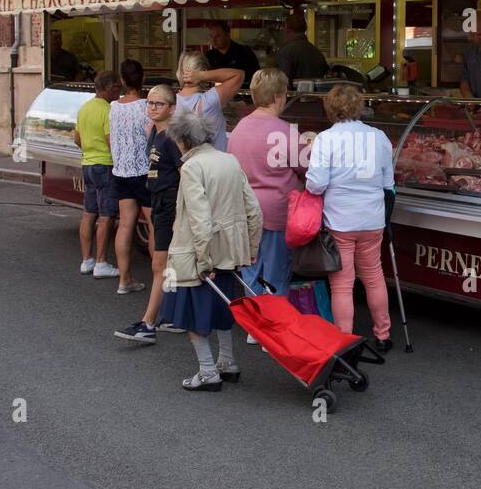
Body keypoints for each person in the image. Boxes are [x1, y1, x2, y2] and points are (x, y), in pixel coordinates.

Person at [164, 111, 263, 391]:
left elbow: (199, 219)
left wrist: (203, 261)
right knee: (224, 308)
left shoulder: (192, 168)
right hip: (231, 251)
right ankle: (227, 362)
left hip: (200, 254)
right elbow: (254, 210)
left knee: (195, 315)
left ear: (182, 140)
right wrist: (251, 248)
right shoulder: (229, 160)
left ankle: (208, 371)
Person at [305, 84, 395, 353]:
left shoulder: (326, 139)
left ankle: (344, 339)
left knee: (342, 284)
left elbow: (316, 185)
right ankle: (383, 334)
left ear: (330, 109)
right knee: (374, 277)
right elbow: (388, 182)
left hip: (340, 220)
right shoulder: (379, 136)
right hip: (372, 219)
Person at [115, 84, 187, 343]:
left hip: (170, 204)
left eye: (159, 104)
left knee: (160, 264)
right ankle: (172, 316)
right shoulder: (154, 134)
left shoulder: (172, 137)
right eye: (150, 103)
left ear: (172, 108)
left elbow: (186, 175)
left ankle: (148, 324)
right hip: (157, 201)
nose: (153, 108)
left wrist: (182, 212)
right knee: (168, 264)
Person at [227, 68, 302, 298]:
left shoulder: (239, 128)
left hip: (245, 210)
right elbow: (307, 168)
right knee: (276, 273)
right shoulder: (285, 131)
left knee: (251, 269)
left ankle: (255, 325)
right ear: (278, 97)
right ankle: (274, 324)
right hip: (276, 212)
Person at [109, 59, 151, 295]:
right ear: (142, 79)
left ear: (123, 81)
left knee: (125, 225)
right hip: (144, 171)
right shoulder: (147, 106)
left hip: (121, 171)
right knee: (155, 226)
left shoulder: (114, 106)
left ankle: (124, 279)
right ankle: (160, 278)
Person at [74, 70, 121, 278]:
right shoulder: (108, 110)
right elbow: (111, 141)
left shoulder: (84, 108)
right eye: (117, 88)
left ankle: (86, 260)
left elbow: (77, 138)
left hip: (87, 163)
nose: (119, 92)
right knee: (106, 215)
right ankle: (101, 262)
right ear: (110, 88)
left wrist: (89, 150)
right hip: (105, 164)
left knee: (88, 213)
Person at [174, 50, 243, 151]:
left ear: (180, 71)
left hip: (183, 165)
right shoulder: (210, 100)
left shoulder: (170, 102)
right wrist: (203, 76)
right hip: (214, 164)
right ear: (205, 71)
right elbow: (239, 75)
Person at [273, 12, 329, 85]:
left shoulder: (286, 52)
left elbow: (282, 83)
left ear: (287, 29)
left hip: (295, 95)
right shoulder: (316, 51)